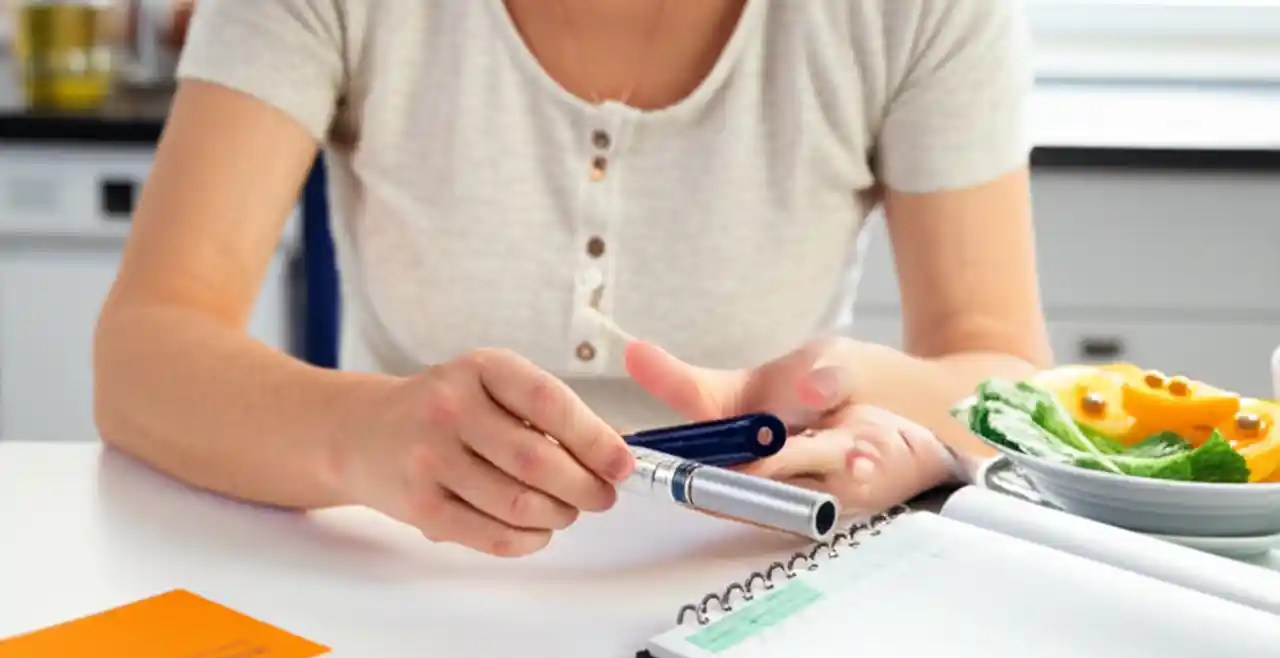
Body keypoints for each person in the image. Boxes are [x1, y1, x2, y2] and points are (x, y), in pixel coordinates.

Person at [93, 0, 1052, 558]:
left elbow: (1010, 378)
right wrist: (358, 434)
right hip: (406, 583)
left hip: (754, 584)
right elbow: (142, 354)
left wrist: (859, 397)